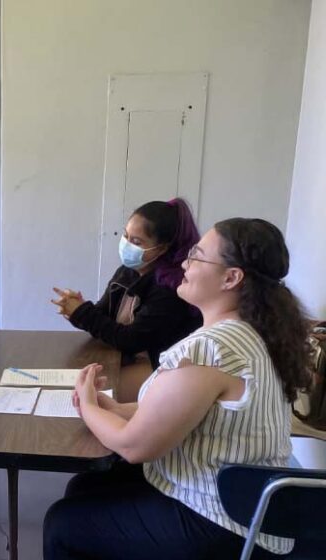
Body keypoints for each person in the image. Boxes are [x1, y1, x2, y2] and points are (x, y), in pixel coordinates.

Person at [43, 218, 313, 560]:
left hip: (226, 523)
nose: (184, 263)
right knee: (85, 487)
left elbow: (134, 445)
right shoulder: (249, 332)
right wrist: (110, 407)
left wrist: (88, 405)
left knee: (62, 525)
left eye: (197, 257)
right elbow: (173, 412)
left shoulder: (213, 350)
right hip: (244, 501)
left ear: (232, 278)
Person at [52, 198, 202, 401]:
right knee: (77, 386)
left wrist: (83, 313)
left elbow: (132, 340)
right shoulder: (127, 271)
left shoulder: (169, 289)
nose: (126, 244)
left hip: (161, 368)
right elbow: (104, 317)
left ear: (161, 248)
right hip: (126, 357)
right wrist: (77, 309)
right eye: (125, 236)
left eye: (136, 241)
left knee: (87, 395)